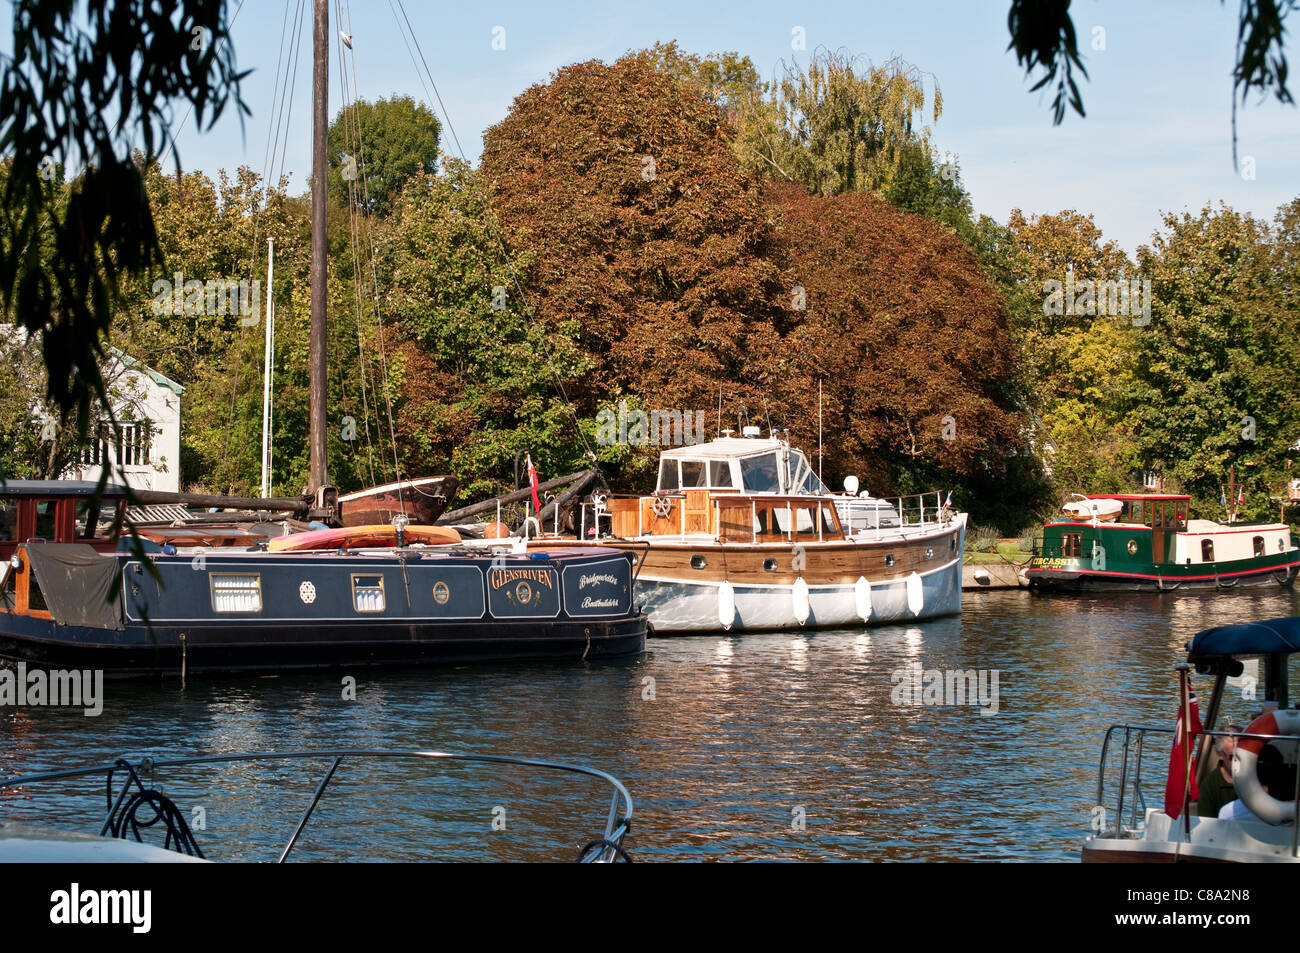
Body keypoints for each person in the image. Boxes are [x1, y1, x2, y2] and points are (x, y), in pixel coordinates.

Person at [1196, 725, 1242, 818]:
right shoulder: (1209, 786)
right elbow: (1207, 825)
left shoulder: (1259, 780)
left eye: (1242, 755)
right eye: (1233, 757)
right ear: (1219, 754)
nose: (1239, 762)